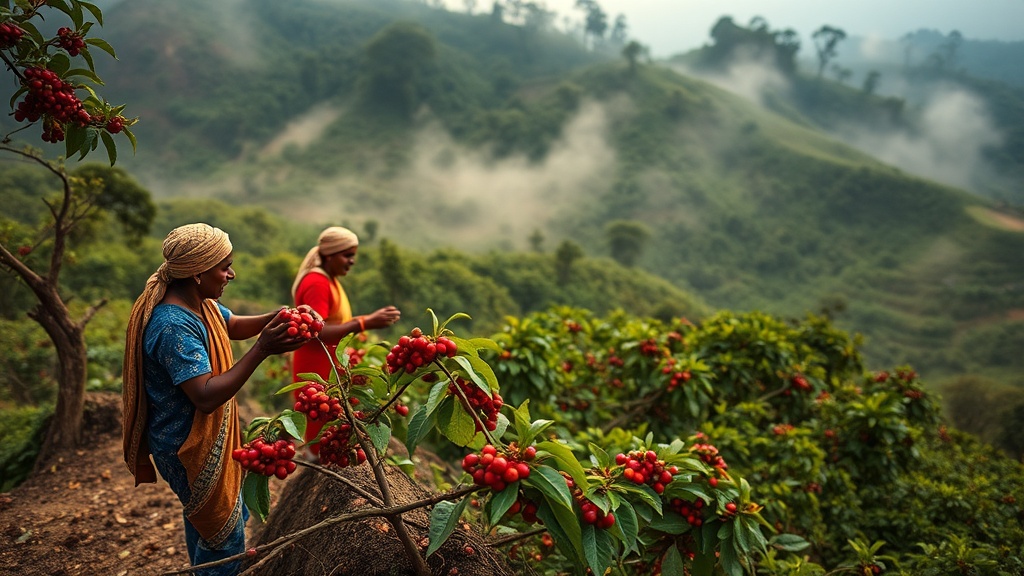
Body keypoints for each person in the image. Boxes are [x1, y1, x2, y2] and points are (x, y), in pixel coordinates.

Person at [121, 223, 312, 576]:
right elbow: (206, 396)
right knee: (222, 533)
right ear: (197, 273)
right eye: (225, 268)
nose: (231, 275)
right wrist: (263, 348)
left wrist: (280, 316)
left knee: (209, 518)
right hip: (186, 445)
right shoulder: (172, 325)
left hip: (200, 438)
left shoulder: (199, 304)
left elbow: (232, 325)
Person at [290, 226, 401, 453]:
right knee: (322, 431)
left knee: (332, 429)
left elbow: (334, 322)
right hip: (317, 367)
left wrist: (365, 320)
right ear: (330, 255)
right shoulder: (317, 282)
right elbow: (318, 331)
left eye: (353, 255)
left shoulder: (329, 281)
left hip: (329, 367)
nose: (352, 261)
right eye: (347, 255)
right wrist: (364, 323)